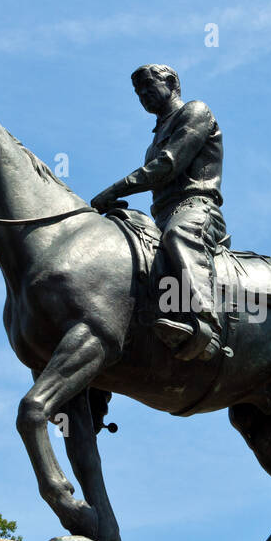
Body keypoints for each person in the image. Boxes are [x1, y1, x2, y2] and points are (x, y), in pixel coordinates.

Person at [91, 65, 226, 361]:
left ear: (172, 83)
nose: (143, 96)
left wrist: (116, 189)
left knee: (180, 235)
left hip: (195, 208)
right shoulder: (153, 141)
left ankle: (206, 323)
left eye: (149, 88)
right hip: (161, 216)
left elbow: (167, 165)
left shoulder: (195, 111)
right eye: (138, 93)